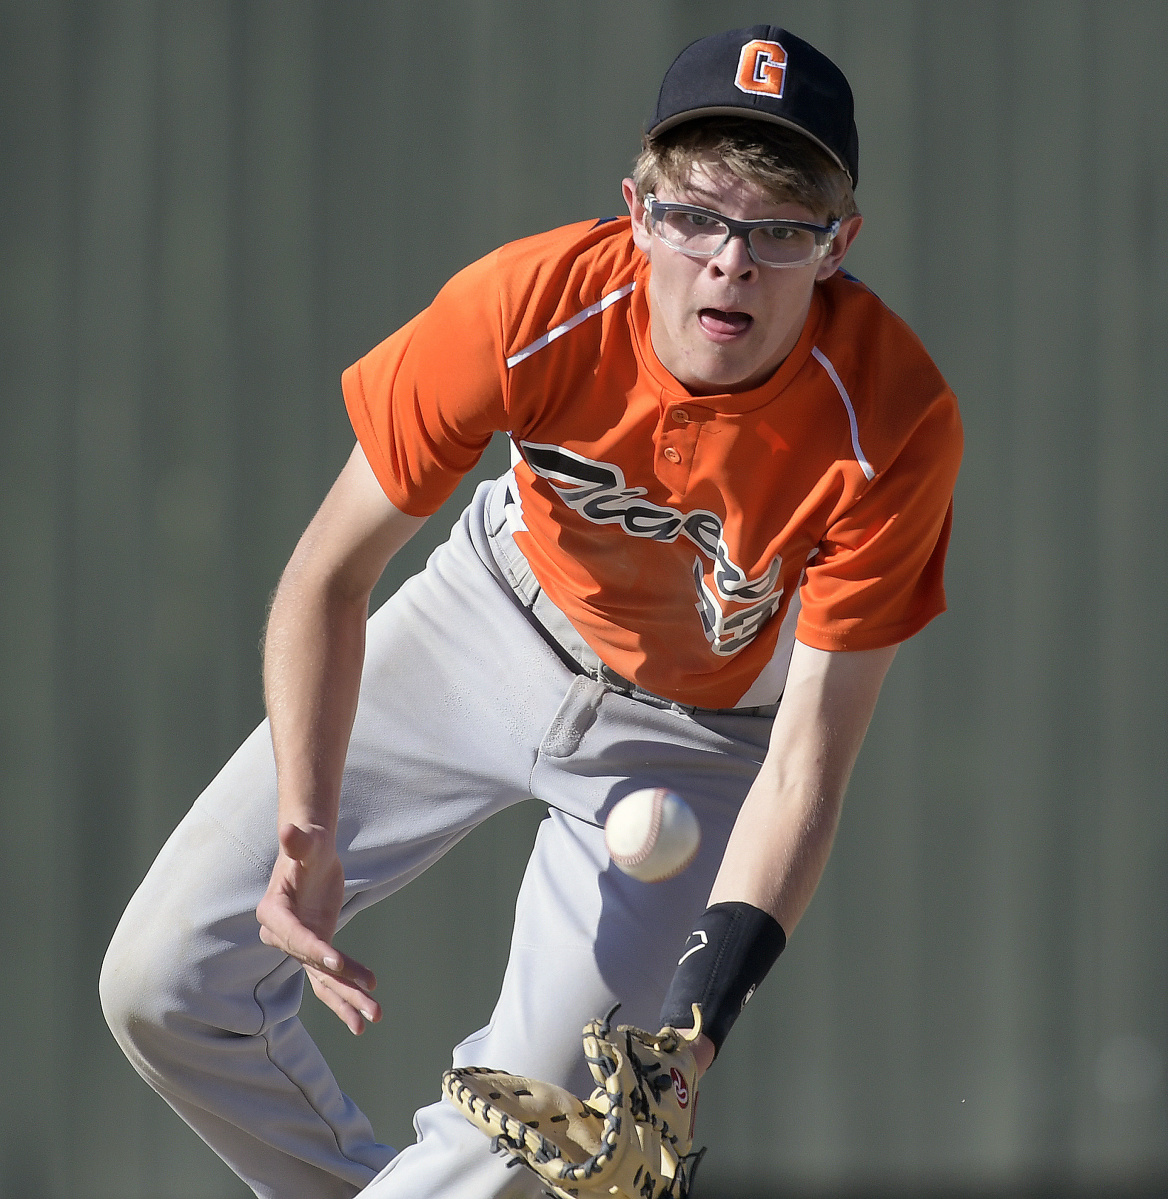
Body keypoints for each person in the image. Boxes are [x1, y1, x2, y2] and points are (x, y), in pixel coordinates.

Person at [101, 24, 962, 1199]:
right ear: (635, 211)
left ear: (837, 246)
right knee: (159, 984)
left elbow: (808, 759)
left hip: (700, 737)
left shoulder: (890, 422)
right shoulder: (527, 304)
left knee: (532, 1137)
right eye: (696, 215)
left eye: (779, 227)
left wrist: (692, 1027)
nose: (729, 260)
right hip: (487, 622)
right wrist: (306, 829)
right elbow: (328, 576)